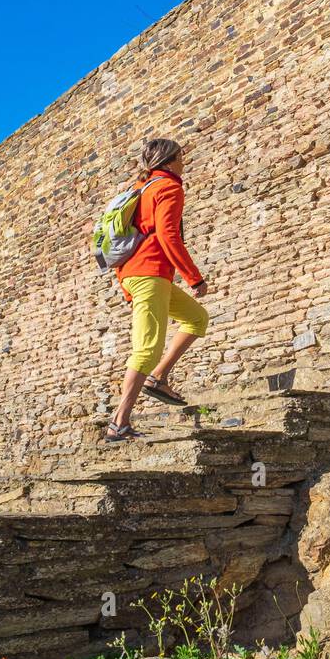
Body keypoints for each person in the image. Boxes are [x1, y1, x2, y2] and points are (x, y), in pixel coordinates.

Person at [106, 138, 209, 442]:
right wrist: (194, 278)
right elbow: (168, 236)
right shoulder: (169, 187)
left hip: (138, 273)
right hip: (149, 273)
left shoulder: (141, 187)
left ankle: (159, 377)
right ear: (168, 161)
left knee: (196, 318)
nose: (184, 162)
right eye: (181, 157)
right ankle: (119, 423)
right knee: (146, 349)